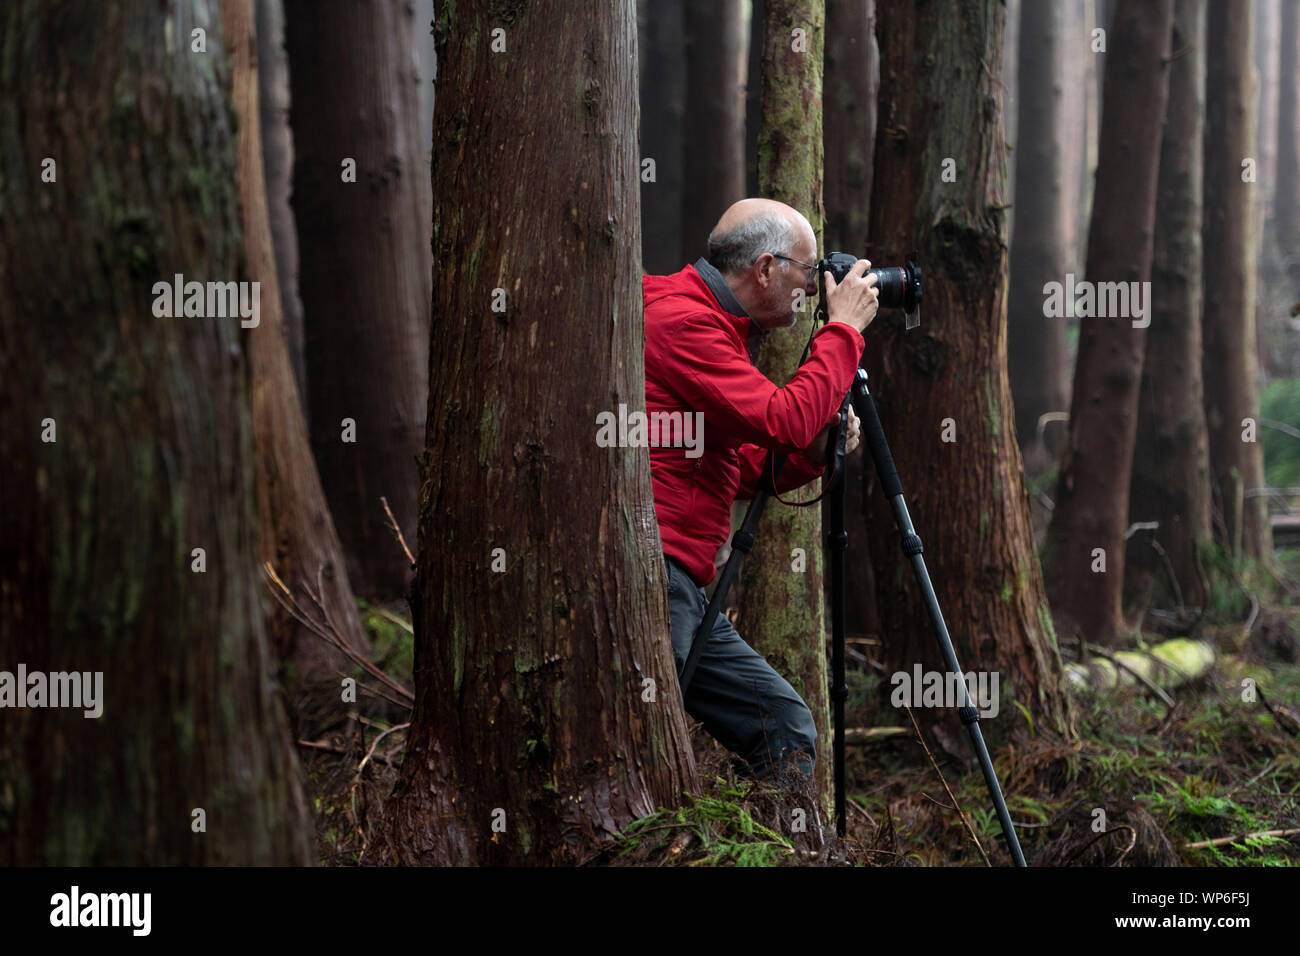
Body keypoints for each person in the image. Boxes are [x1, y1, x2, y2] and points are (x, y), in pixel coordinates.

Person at [643, 197, 879, 780]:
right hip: (653, 574)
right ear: (767, 269)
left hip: (686, 584)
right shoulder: (684, 321)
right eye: (808, 268)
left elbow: (739, 468)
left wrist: (815, 453)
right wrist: (844, 329)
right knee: (643, 741)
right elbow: (784, 419)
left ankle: (775, 847)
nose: (816, 283)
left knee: (785, 726)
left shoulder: (713, 324)